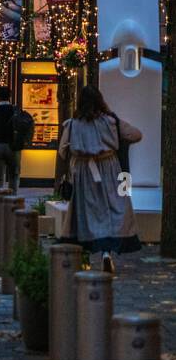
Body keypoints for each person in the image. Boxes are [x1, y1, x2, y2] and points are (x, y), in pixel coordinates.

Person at [60, 85, 143, 273]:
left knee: (85, 212)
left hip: (83, 172)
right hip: (109, 169)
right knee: (110, 210)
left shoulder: (72, 124)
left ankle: (85, 257)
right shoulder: (111, 121)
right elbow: (136, 134)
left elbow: (63, 151)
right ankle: (106, 252)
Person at [0, 86, 20, 192]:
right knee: (13, 176)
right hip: (12, 146)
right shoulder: (15, 111)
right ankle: (12, 201)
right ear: (9, 97)